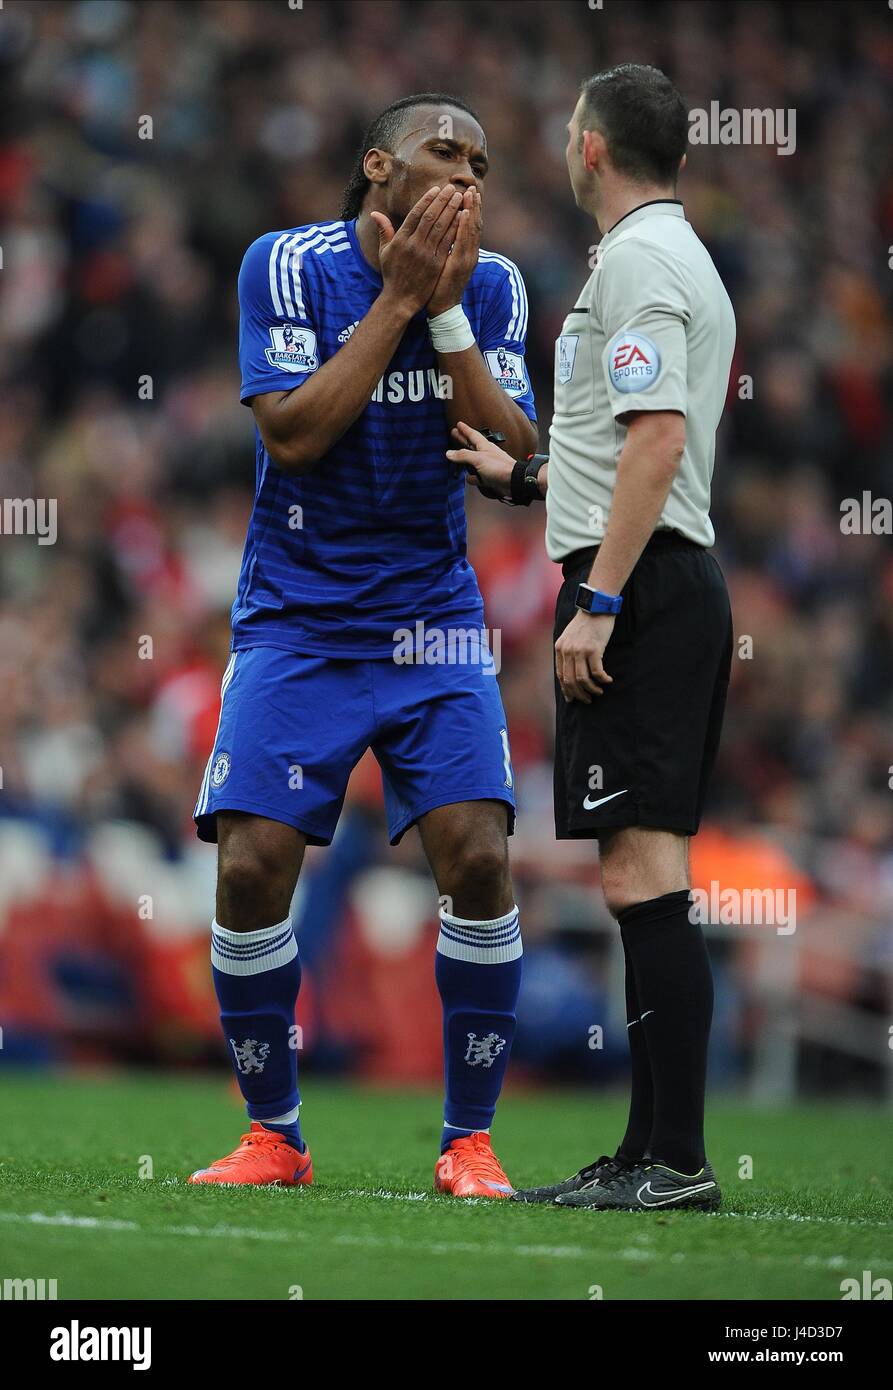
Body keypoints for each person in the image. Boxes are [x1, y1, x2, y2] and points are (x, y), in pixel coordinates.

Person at [188, 93, 538, 1198]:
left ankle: (468, 1143)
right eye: (447, 153)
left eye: (481, 162)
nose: (467, 176)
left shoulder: (495, 284)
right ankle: (274, 1136)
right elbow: (291, 433)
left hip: (432, 615)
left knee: (479, 856)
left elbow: (515, 453)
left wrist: (444, 316)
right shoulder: (283, 265)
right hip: (298, 615)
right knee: (249, 867)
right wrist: (395, 300)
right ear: (378, 163)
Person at [448, 64, 735, 1211]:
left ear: (592, 148)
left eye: (569, 133)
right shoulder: (661, 256)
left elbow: (657, 444)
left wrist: (600, 595)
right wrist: (524, 474)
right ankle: (646, 1151)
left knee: (643, 869)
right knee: (633, 873)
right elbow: (623, 450)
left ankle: (674, 1159)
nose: (564, 148)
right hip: (652, 574)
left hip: (646, 589)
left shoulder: (641, 263)